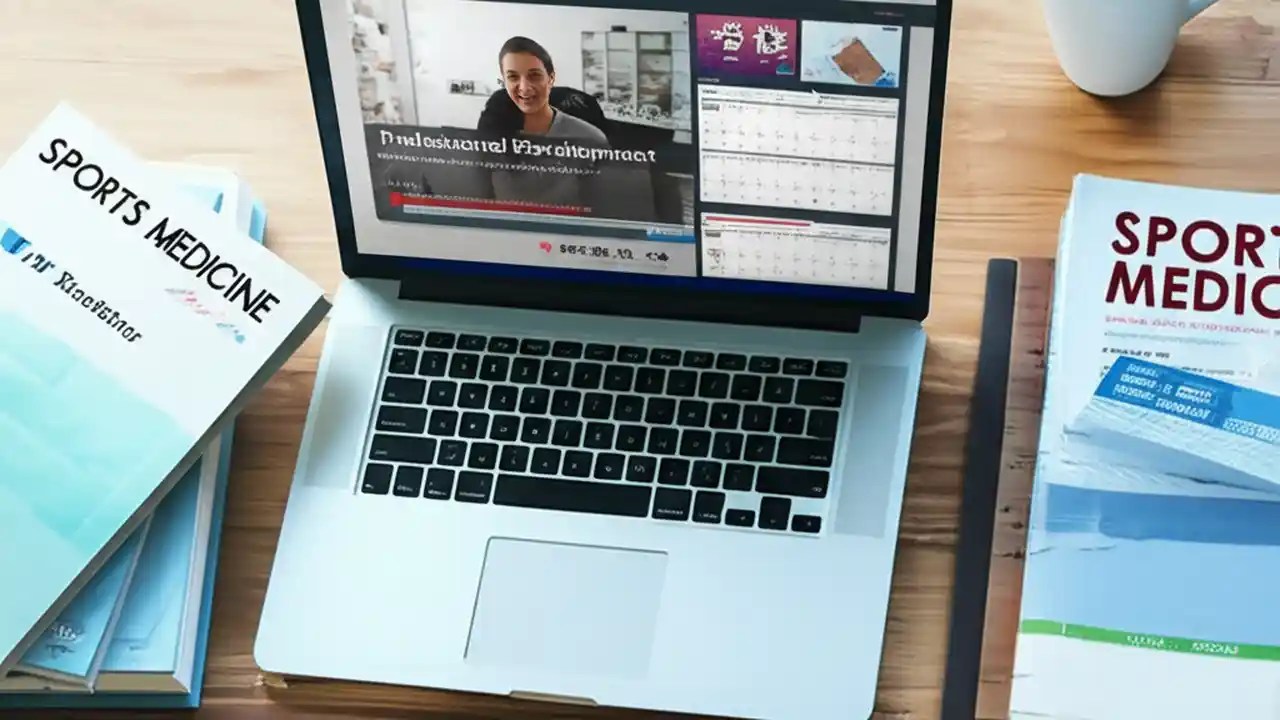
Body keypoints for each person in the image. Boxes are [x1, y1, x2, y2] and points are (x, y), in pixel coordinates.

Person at [478, 36, 611, 210]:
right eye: (513, 77)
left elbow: (604, 209)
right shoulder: (493, 131)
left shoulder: (590, 138)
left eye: (534, 76)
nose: (524, 87)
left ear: (551, 79)